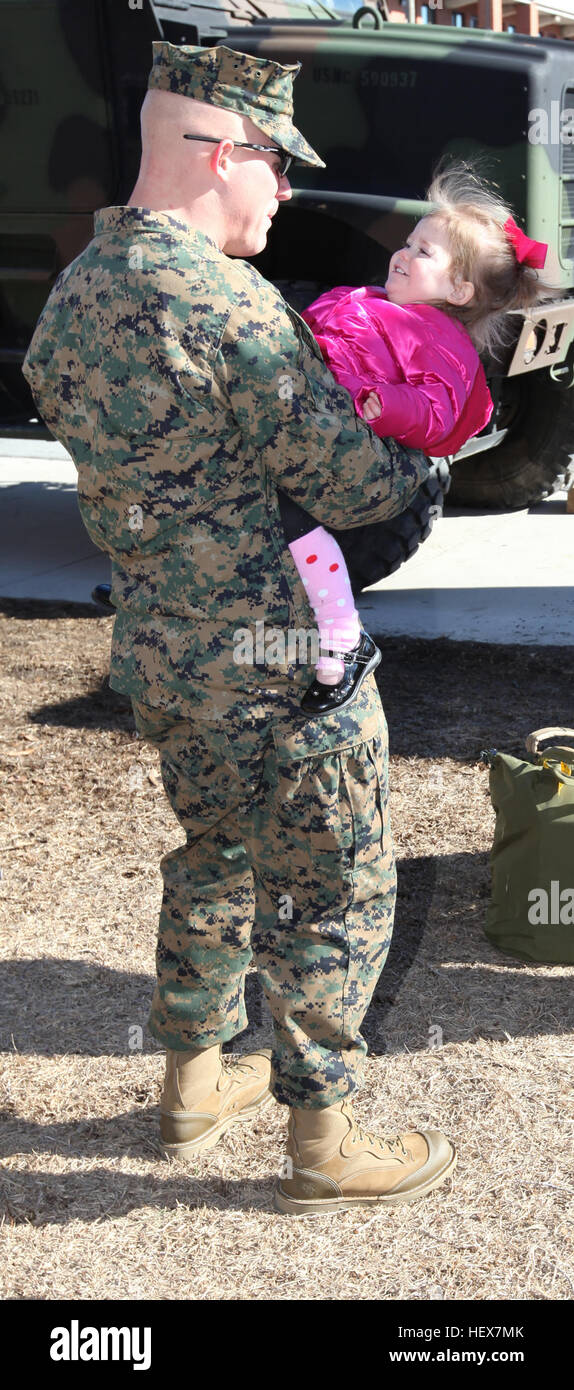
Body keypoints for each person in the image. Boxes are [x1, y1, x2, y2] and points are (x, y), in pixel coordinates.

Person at [22, 41, 457, 1215]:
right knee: (338, 881)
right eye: (275, 165)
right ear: (224, 155)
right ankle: (321, 1144)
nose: (285, 191)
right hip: (278, 656)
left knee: (214, 854)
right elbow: (357, 483)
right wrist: (431, 463)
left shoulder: (79, 290)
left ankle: (192, 1085)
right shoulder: (223, 303)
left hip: (165, 649)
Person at [281, 163, 548, 715]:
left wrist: (388, 405)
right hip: (307, 415)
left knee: (294, 526)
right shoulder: (378, 301)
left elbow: (438, 409)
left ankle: (341, 634)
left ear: (459, 289)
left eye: (423, 252)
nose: (402, 253)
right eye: (407, 242)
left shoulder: (438, 337)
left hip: (342, 444)